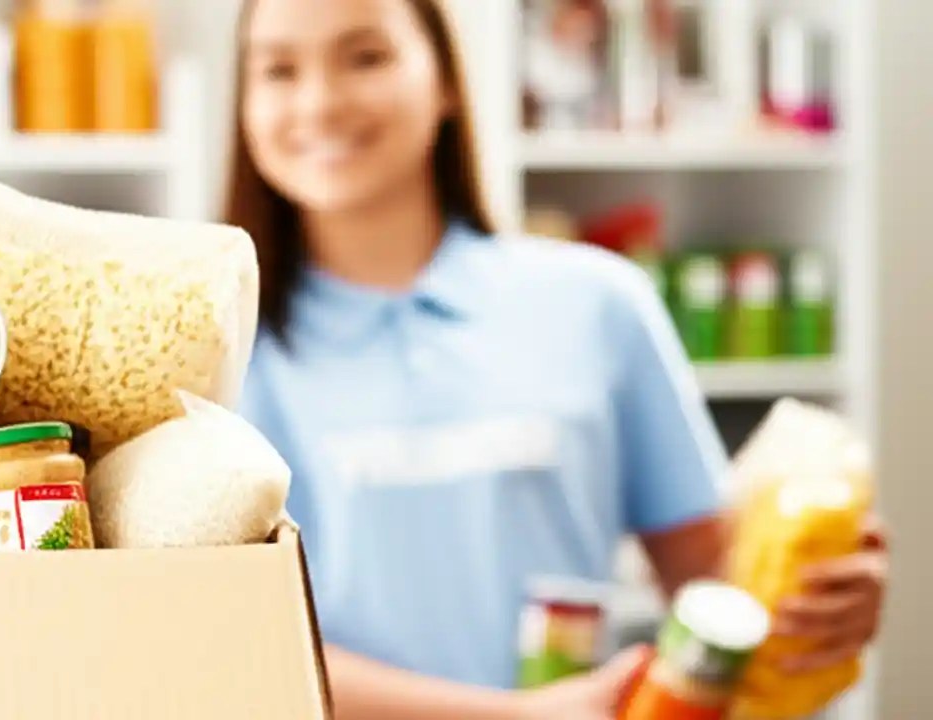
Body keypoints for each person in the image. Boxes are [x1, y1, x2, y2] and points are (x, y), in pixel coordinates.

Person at [226, 0, 889, 718]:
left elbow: (717, 587)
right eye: (278, 70)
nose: (320, 101)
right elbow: (230, 641)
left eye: (366, 58)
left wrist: (816, 610)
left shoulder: (598, 304)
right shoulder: (219, 357)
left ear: (447, 80)